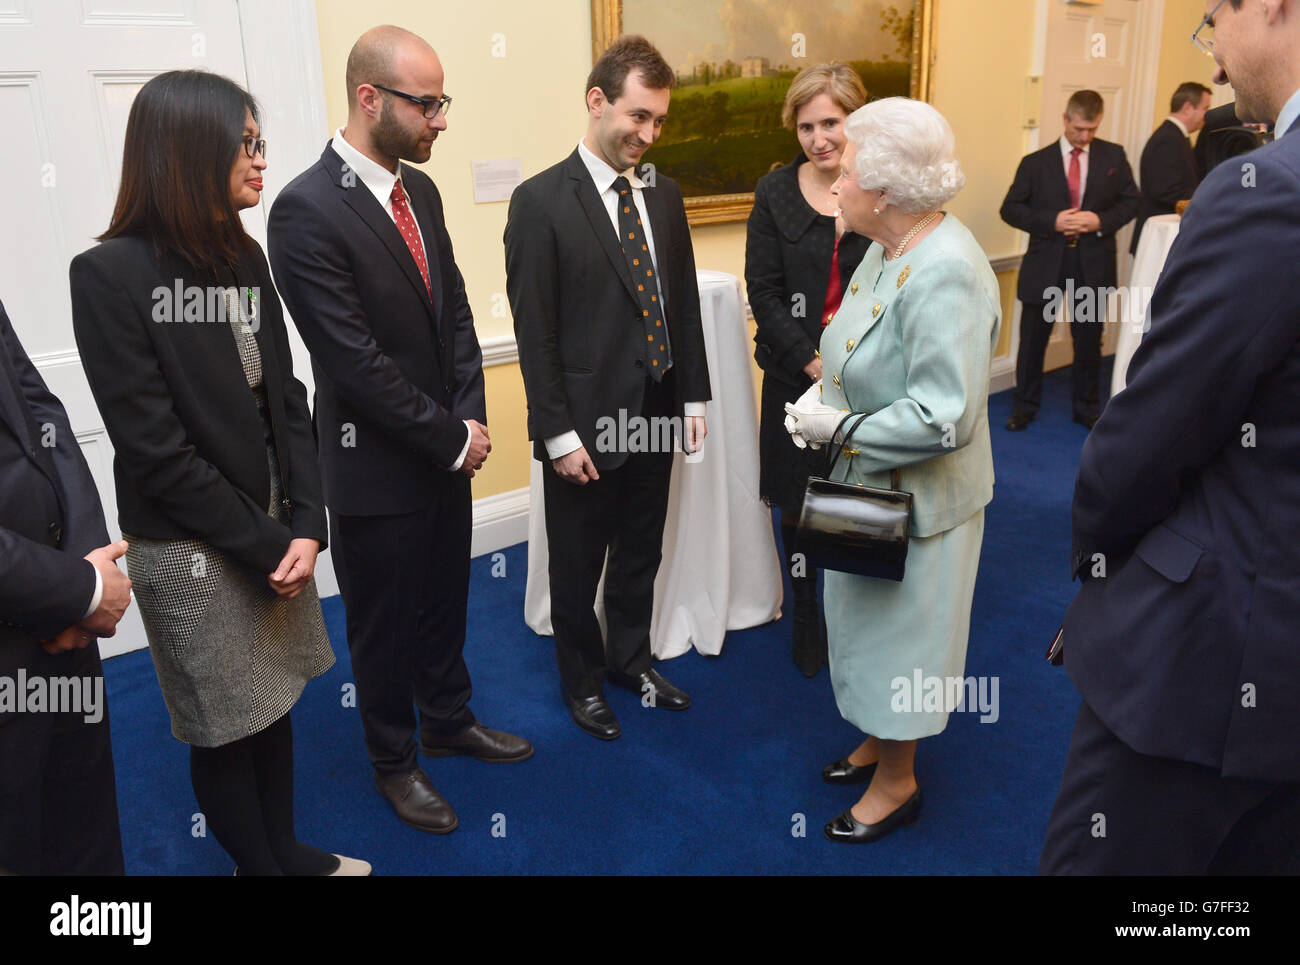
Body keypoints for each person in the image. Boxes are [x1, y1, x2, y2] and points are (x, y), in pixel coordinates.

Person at [70, 70, 368, 875]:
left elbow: (289, 395)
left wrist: (309, 521)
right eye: (245, 143)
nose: (260, 158)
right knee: (223, 720)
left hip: (275, 530)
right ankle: (260, 867)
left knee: (270, 703)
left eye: (259, 141)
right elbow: (156, 452)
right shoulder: (107, 275)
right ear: (187, 150)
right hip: (197, 549)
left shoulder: (243, 253)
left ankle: (283, 851)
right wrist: (270, 540)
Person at [1039, 0, 1300, 875]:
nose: (1217, 53)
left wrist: (1100, 573)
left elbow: (1150, 435)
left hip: (1212, 667)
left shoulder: (1271, 191)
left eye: (1214, 19)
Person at [268, 26, 531, 834]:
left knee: (445, 602)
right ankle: (395, 759)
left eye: (442, 100)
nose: (441, 119)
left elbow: (453, 310)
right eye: (428, 102)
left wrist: (470, 412)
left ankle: (449, 721)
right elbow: (352, 362)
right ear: (369, 98)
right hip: (372, 467)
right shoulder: (304, 210)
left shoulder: (423, 193)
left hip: (443, 453)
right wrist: (450, 437)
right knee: (382, 627)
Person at [784, 97, 999, 843]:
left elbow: (946, 416)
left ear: (885, 190)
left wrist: (837, 424)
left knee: (904, 642)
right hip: (867, 487)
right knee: (862, 627)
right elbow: (858, 345)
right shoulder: (887, 244)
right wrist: (825, 390)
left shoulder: (950, 272)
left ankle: (898, 780)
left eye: (845, 171)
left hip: (921, 501)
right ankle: (878, 740)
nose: (833, 183)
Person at [505, 35, 711, 740]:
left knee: (640, 549)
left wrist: (694, 398)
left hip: (656, 408)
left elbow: (679, 301)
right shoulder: (538, 203)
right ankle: (582, 683)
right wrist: (557, 433)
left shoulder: (666, 194)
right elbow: (536, 334)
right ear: (597, 102)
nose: (649, 135)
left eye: (660, 121)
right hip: (585, 425)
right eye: (638, 116)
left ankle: (631, 660)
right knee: (577, 562)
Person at [745, 63, 871, 678]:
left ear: (856, 120)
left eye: (831, 123)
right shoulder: (773, 193)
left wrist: (849, 369)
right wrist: (815, 361)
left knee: (854, 502)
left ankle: (855, 616)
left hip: (867, 382)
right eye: (806, 126)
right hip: (795, 377)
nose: (819, 138)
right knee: (795, 503)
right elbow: (763, 293)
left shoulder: (880, 187)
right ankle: (806, 613)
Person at [0, 300, 131, 876]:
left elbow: (36, 408)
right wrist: (72, 592)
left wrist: (86, 577)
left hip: (66, 637)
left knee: (88, 833)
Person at [1000, 90, 1138, 431]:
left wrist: (1100, 221)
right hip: (1046, 263)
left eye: (1092, 129)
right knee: (1033, 341)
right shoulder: (1035, 163)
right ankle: (1024, 407)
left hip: (1092, 265)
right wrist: (1052, 221)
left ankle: (1087, 409)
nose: (1085, 137)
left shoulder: (1114, 157)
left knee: (1089, 341)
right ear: (1065, 119)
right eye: (1079, 129)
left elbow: (1132, 202)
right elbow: (1011, 209)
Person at [1131, 82, 1211, 252]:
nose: (1206, 115)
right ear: (1188, 107)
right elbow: (1165, 191)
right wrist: (1206, 199)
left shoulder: (1176, 136)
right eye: (1205, 108)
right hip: (1159, 237)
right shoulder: (1167, 139)